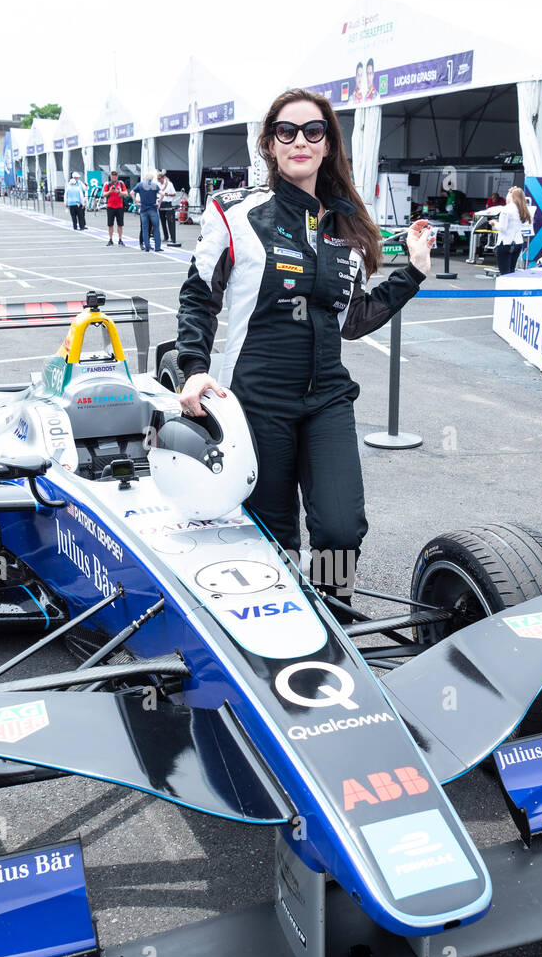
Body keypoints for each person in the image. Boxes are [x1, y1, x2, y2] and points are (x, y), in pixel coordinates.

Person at [175, 87, 435, 601]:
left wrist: (414, 274)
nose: (300, 140)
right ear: (269, 145)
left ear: (327, 144)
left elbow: (352, 319)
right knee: (275, 535)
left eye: (313, 131)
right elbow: (199, 295)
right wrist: (194, 367)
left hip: (327, 399)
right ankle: (279, 629)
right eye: (286, 131)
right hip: (256, 398)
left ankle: (334, 612)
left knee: (341, 528)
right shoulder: (235, 212)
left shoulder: (346, 228)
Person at [492, 186, 535, 276]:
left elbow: (502, 228)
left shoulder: (506, 209)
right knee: (511, 272)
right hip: (518, 242)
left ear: (511, 196)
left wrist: (494, 223)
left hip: (505, 242)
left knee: (504, 273)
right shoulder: (523, 209)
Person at [133, 170, 162, 252]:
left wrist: (136, 202)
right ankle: (157, 247)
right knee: (156, 228)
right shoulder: (154, 185)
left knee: (145, 229)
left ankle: (147, 247)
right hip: (153, 209)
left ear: (145, 178)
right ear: (152, 179)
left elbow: (131, 192)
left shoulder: (140, 185)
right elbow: (162, 194)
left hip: (143, 209)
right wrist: (159, 203)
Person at [103, 169, 127, 245]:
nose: (114, 178)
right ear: (110, 176)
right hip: (110, 206)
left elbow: (126, 193)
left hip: (119, 206)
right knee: (110, 224)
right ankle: (110, 239)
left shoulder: (121, 183)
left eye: (115, 176)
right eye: (112, 176)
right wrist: (110, 191)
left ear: (117, 177)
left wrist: (119, 192)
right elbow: (104, 194)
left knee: (120, 224)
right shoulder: (107, 184)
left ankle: (120, 239)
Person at [157, 171, 177, 244]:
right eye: (158, 179)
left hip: (168, 203)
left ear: (163, 178)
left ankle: (172, 237)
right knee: (162, 221)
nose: (158, 180)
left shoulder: (169, 184)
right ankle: (166, 236)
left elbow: (174, 193)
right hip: (161, 203)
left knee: (170, 221)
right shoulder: (158, 184)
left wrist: (168, 194)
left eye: (159, 179)